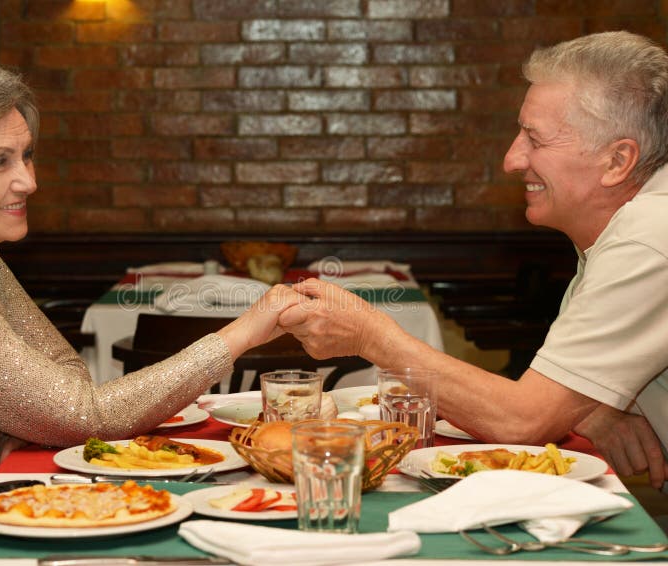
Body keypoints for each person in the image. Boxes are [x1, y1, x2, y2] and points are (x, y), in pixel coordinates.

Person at [0, 66, 299, 565]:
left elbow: (66, 373)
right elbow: (84, 415)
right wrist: (243, 332)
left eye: (26, 155)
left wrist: (54, 412)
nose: (29, 181)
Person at [279, 31, 668, 494]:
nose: (511, 159)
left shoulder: (647, 236)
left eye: (535, 139)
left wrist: (371, 335)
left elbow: (522, 420)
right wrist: (587, 404)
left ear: (617, 160)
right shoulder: (636, 224)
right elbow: (541, 406)